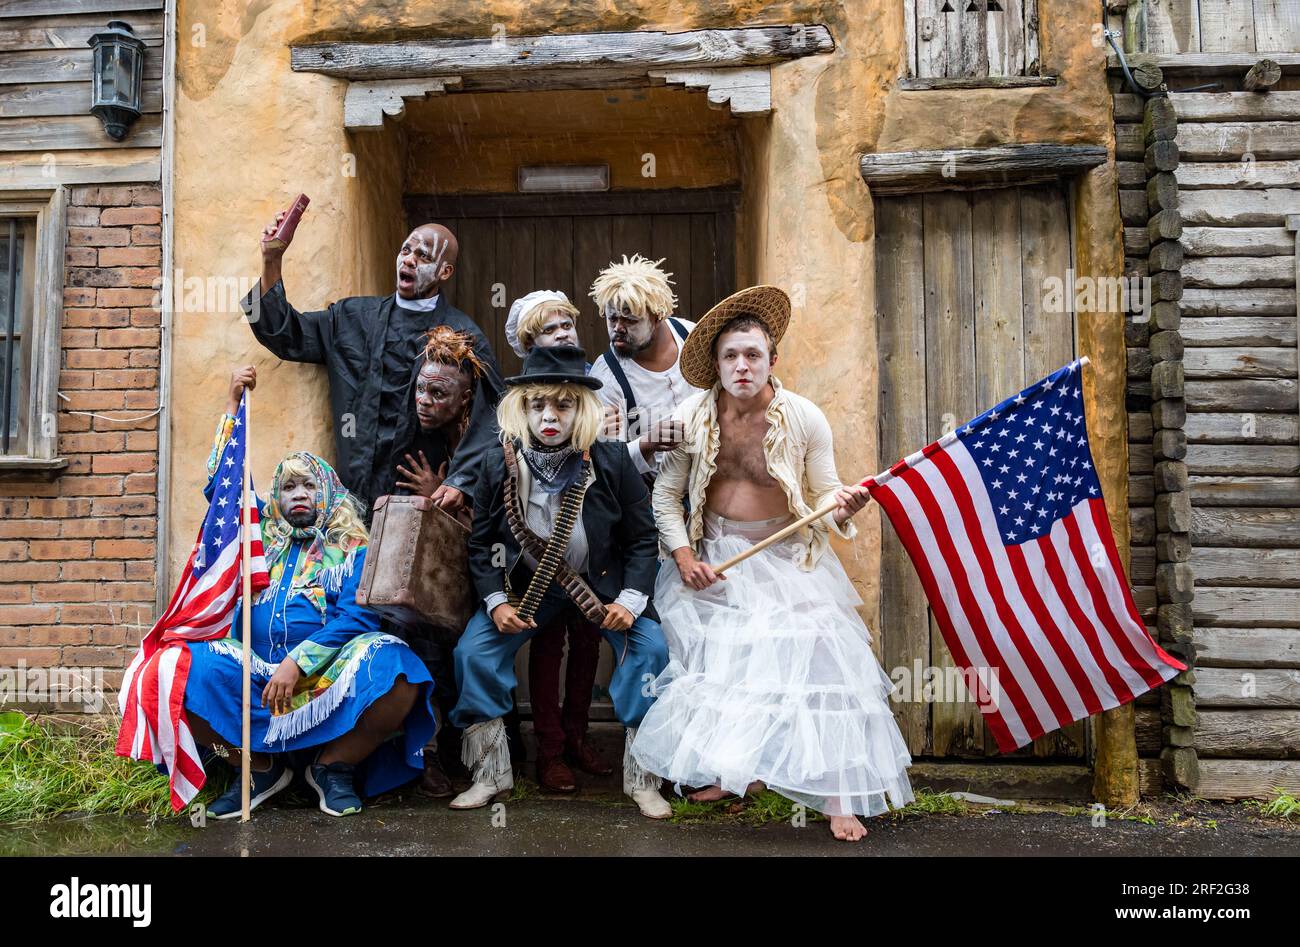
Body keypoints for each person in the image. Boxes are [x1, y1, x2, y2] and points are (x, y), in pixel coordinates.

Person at [629, 287, 915, 842]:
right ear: (715, 363)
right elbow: (667, 497)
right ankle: (735, 773)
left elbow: (829, 494)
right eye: (731, 355)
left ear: (772, 360)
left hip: (786, 554)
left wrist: (844, 506)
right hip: (711, 554)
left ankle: (839, 798)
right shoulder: (692, 415)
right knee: (722, 670)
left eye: (753, 355)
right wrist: (685, 558)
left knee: (823, 662)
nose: (742, 366)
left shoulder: (803, 418)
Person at [184, 366, 436, 820]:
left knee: (397, 665)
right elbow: (220, 487)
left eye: (308, 485)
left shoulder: (353, 547)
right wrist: (232, 406)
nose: (297, 494)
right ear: (275, 498)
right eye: (287, 486)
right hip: (255, 675)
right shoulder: (256, 535)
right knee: (174, 669)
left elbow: (358, 617)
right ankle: (257, 769)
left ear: (327, 493)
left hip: (324, 678)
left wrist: (297, 661)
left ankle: (333, 768)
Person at [447, 345, 672, 819]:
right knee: (473, 652)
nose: (549, 415)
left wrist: (631, 601)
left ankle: (643, 776)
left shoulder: (611, 462)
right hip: (529, 590)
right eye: (536, 404)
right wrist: (494, 602)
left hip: (602, 588)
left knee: (649, 651)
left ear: (582, 409)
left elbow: (642, 540)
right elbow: (481, 544)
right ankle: (490, 773)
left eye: (563, 404)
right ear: (521, 409)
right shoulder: (498, 463)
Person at [242, 215, 502, 517]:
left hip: (419, 501)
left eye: (423, 256)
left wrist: (459, 480)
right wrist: (271, 259)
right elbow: (285, 334)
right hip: (350, 501)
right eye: (405, 251)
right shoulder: (352, 317)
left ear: (445, 271)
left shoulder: (462, 336)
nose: (409, 260)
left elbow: (494, 413)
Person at [502, 292, 610, 793]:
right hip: (540, 575)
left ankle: (577, 738)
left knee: (587, 649)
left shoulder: (592, 386)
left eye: (569, 323)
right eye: (552, 327)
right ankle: (549, 751)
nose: (565, 331)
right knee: (546, 652)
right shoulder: (521, 410)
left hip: (592, 568)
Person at [382, 326, 486, 797]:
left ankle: (473, 755)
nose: (423, 400)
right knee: (420, 652)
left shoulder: (482, 443)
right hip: (416, 585)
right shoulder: (411, 442)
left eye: (438, 393)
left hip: (473, 579)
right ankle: (425, 757)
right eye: (420, 388)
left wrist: (453, 503)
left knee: (463, 660)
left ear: (465, 400)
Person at [587, 254, 695, 479]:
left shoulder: (693, 337)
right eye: (612, 319)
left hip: (712, 485)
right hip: (652, 498)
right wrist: (648, 442)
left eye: (630, 320)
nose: (618, 328)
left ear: (657, 317)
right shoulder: (606, 376)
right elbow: (609, 464)